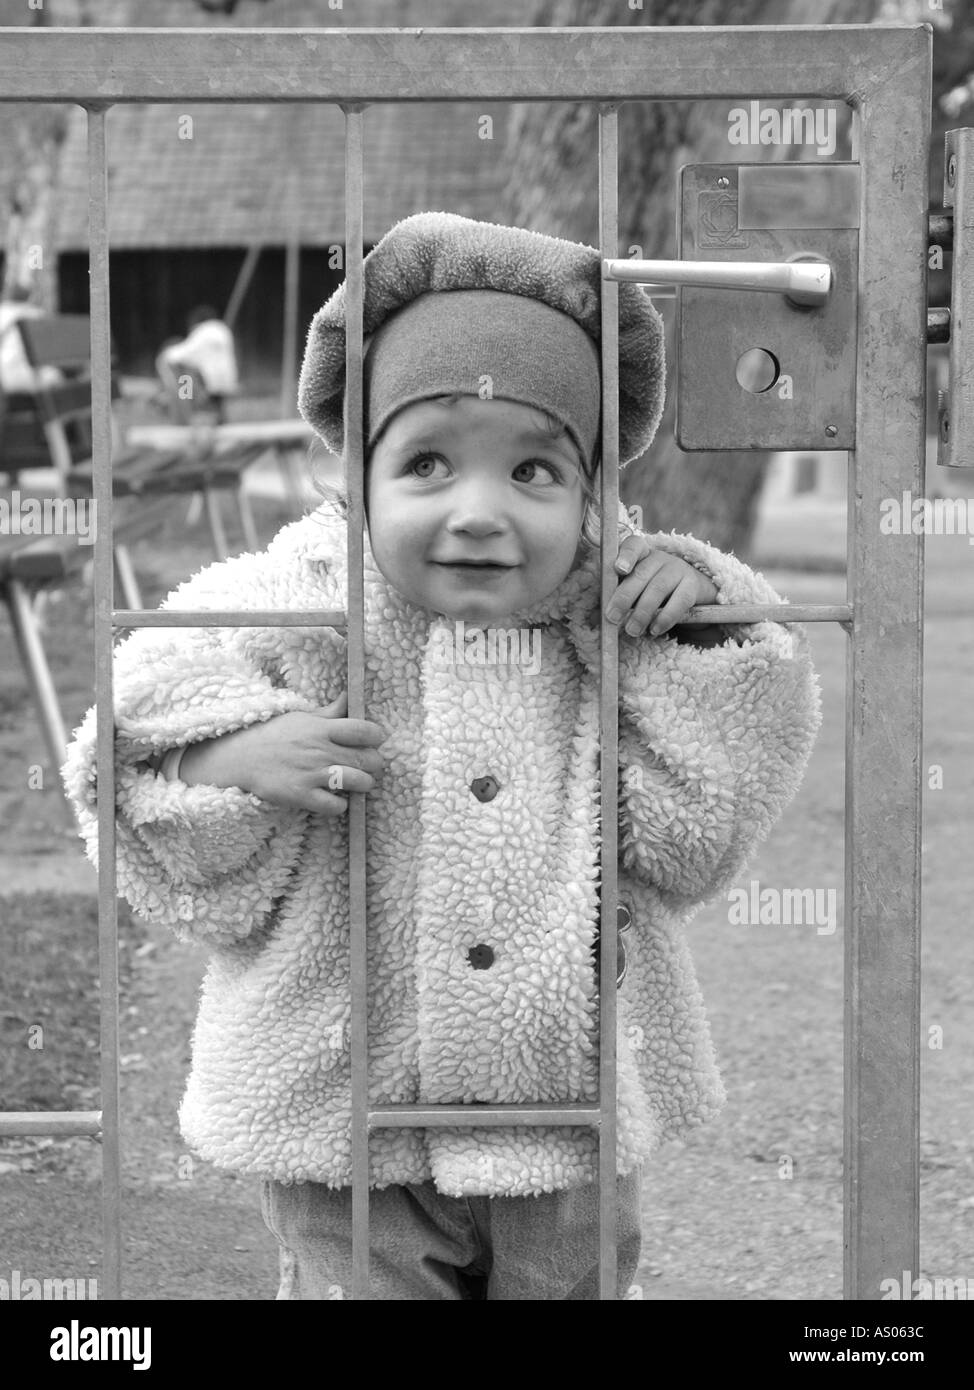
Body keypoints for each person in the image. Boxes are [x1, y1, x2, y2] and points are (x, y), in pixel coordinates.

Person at [61, 212, 822, 1301]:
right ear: (354, 477)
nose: (478, 511)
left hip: (561, 1123)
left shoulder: (615, 612)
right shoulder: (297, 599)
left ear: (591, 493)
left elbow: (697, 829)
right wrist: (228, 757)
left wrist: (702, 637)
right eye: (425, 462)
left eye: (532, 469)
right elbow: (121, 749)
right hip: (338, 1127)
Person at [156, 304, 239, 422]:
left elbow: (177, 355)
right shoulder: (223, 329)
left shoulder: (202, 331)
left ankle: (184, 413)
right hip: (227, 382)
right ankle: (220, 422)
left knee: (184, 373)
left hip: (206, 385)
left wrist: (165, 353)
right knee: (217, 407)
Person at [0, 283, 62, 393]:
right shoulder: (36, 313)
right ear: (28, 296)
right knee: (55, 377)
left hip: (5, 376)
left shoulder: (3, 311)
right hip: (34, 376)